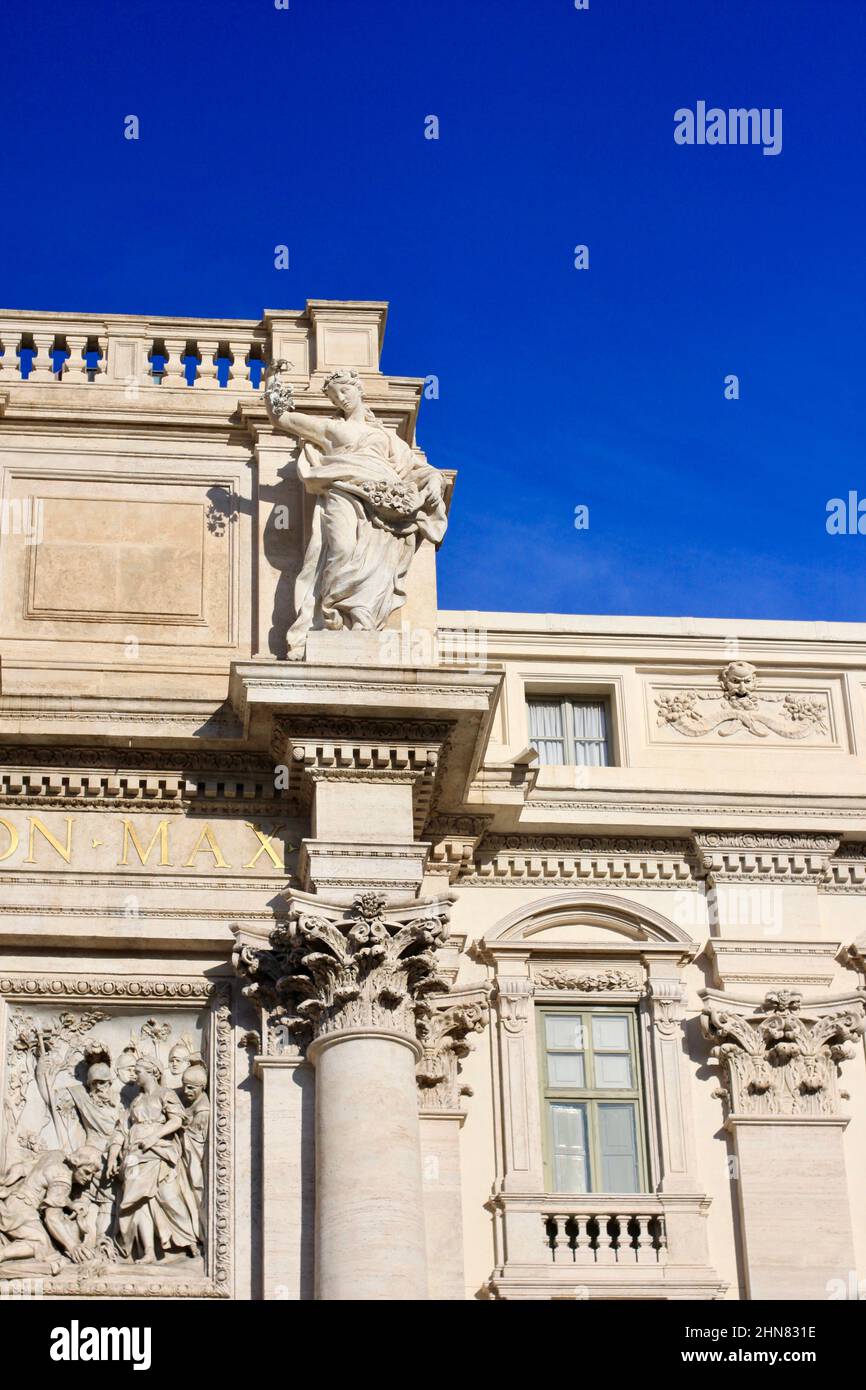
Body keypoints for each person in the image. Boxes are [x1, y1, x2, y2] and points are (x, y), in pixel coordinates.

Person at [265, 364, 447, 654]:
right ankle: (330, 616)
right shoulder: (331, 429)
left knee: (376, 564)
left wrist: (435, 485)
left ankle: (362, 621)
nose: (343, 399)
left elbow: (420, 470)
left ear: (359, 390)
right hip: (342, 492)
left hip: (385, 503)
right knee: (342, 549)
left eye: (345, 391)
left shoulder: (388, 437)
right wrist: (272, 380)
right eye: (336, 397)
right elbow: (282, 417)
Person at [106, 1058, 199, 1262]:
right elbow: (121, 1130)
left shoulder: (166, 1094)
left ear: (152, 1072)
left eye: (137, 1071)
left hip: (158, 1151)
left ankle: (189, 1239)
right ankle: (148, 1251)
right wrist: (113, 1157)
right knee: (137, 1203)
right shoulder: (136, 1101)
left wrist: (154, 1137)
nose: (134, 1075)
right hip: (134, 1156)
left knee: (169, 1197)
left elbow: (177, 1120)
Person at [0, 1146, 102, 1272]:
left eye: (92, 1174)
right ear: (76, 1164)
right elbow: (52, 1218)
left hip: (14, 1201)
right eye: (86, 1172)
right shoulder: (63, 1180)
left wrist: (70, 1204)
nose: (89, 1178)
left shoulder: (57, 1155)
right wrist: (72, 1246)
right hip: (22, 1211)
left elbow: (43, 1181)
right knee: (41, 1243)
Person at [179, 1063, 210, 1240]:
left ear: (201, 1087)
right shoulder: (191, 1101)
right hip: (186, 1156)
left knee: (195, 1194)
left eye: (190, 1087)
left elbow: (196, 1140)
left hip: (193, 1159)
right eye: (184, 1086)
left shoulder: (203, 1111)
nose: (186, 1091)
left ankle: (199, 1233)